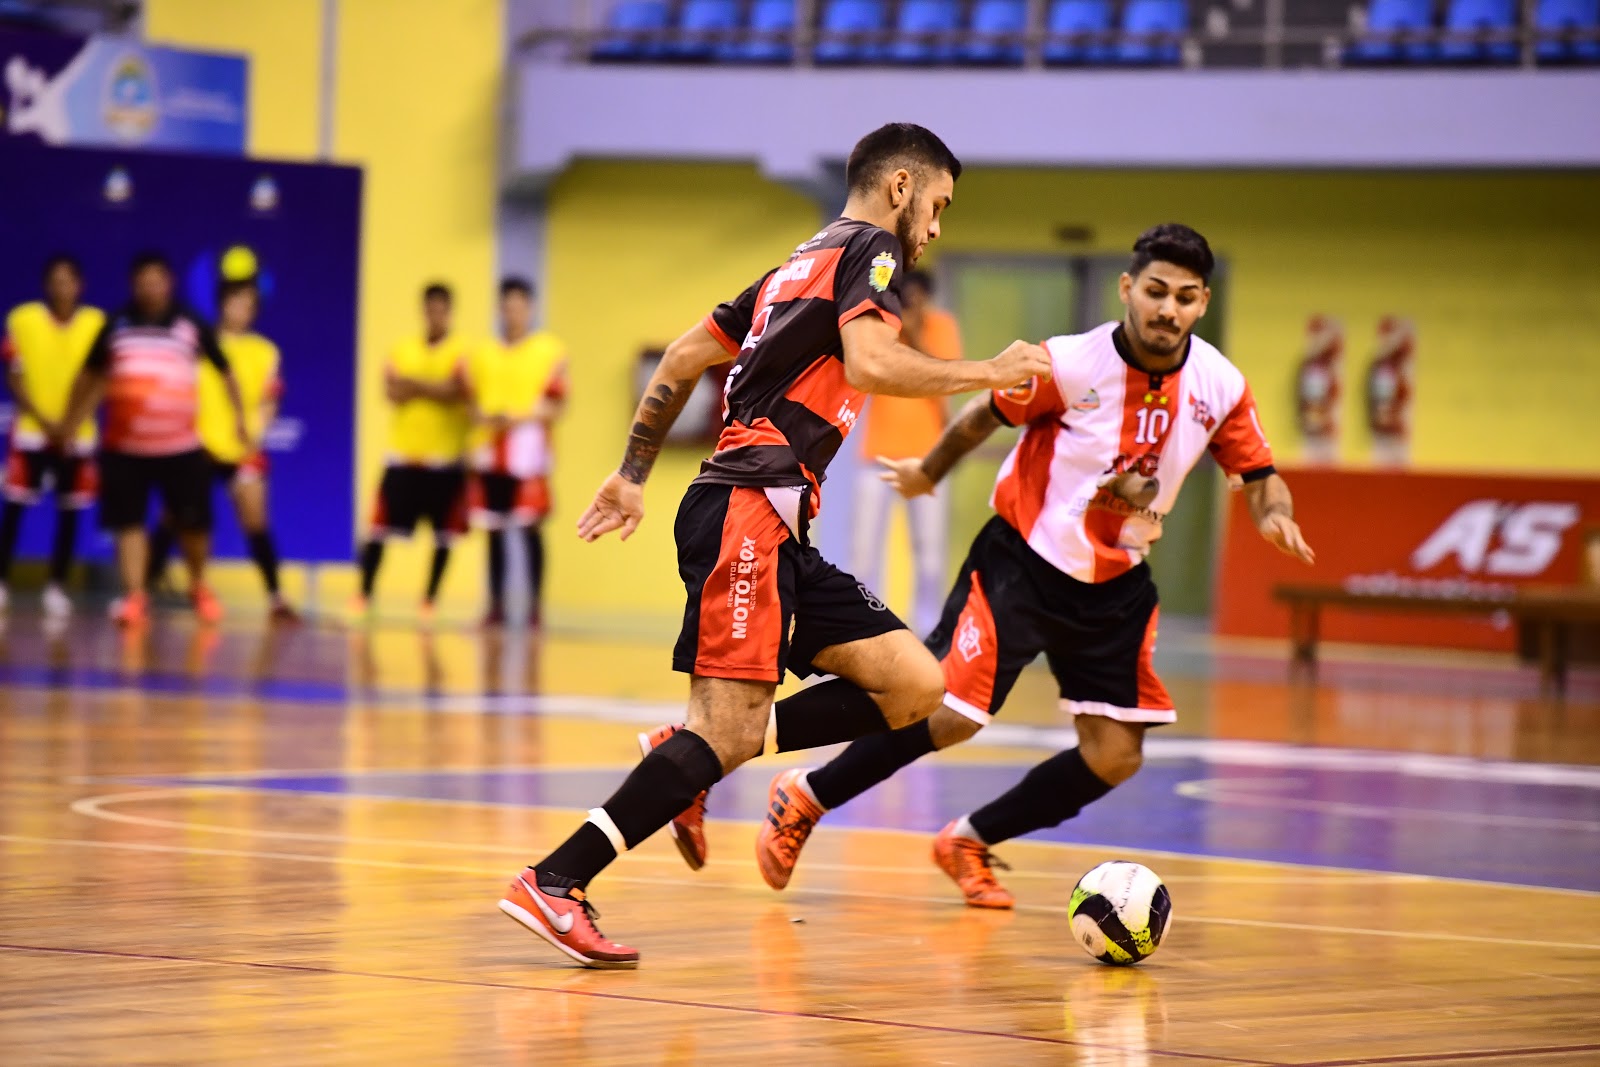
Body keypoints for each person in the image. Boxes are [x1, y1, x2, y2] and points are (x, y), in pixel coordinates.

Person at [497, 122, 1052, 969]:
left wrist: (632, 472)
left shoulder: (794, 264)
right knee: (722, 733)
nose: (936, 227)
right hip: (747, 509)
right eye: (938, 205)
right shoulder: (871, 250)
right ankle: (557, 879)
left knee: (916, 684)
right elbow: (869, 363)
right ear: (901, 187)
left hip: (776, 520)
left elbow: (684, 357)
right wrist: (989, 370)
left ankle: (682, 759)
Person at [748, 223, 1317, 907]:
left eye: (1187, 297)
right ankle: (805, 795)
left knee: (1115, 754)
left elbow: (1259, 472)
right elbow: (980, 418)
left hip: (1114, 586)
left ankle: (969, 839)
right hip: (1021, 559)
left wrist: (1274, 511)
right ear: (1128, 288)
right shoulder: (1072, 362)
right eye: (1158, 291)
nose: (1169, 309)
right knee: (950, 709)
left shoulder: (1220, 385)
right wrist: (930, 473)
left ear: (1202, 304)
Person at [56, 252, 248, 627]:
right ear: (134, 284)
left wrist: (240, 418)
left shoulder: (190, 321)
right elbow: (89, 376)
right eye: (142, 279)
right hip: (125, 448)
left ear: (169, 283)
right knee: (129, 523)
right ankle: (135, 597)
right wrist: (69, 421)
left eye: (157, 279)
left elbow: (225, 371)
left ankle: (199, 585)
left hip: (180, 448)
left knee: (194, 525)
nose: (150, 286)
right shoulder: (115, 323)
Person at [146, 278, 298, 621]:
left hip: (242, 449)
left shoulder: (266, 351)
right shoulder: (200, 344)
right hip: (198, 446)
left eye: (247, 305)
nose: (240, 310)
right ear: (221, 305)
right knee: (174, 516)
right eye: (233, 302)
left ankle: (276, 595)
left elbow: (269, 400)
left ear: (255, 310)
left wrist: (254, 433)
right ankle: (144, 588)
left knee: (255, 519)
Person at [852, 268, 962, 634]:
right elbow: (876, 371)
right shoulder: (883, 328)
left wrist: (915, 331)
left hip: (927, 459)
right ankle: (868, 630)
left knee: (929, 555)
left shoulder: (942, 327)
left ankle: (928, 631)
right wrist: (901, 327)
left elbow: (943, 378)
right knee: (864, 555)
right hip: (878, 457)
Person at [352, 283, 471, 619]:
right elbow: (392, 390)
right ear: (423, 311)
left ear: (450, 312)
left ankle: (429, 601)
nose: (435, 316)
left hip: (445, 459)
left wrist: (416, 385)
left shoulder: (462, 352)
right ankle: (363, 595)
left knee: (444, 536)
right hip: (403, 456)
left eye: (441, 310)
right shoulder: (403, 349)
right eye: (429, 309)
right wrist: (436, 386)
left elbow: (458, 392)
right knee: (377, 529)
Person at [0, 255, 104, 618]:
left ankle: (57, 586)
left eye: (69, 280)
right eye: (56, 280)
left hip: (78, 436)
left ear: (80, 285)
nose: (62, 287)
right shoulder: (22, 319)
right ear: (47, 285)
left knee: (69, 512)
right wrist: (44, 420)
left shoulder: (96, 323)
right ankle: (2, 582)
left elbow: (101, 379)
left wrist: (72, 423)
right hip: (31, 433)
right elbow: (14, 375)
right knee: (14, 508)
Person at [466, 276, 567, 627]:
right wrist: (482, 417)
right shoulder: (482, 354)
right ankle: (495, 606)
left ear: (531, 308)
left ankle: (535, 607)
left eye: (520, 306)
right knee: (493, 530)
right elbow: (470, 402)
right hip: (488, 452)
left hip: (528, 455)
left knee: (529, 529)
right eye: (507, 306)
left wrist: (518, 416)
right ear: (499, 308)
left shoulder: (549, 352)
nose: (514, 313)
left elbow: (556, 405)